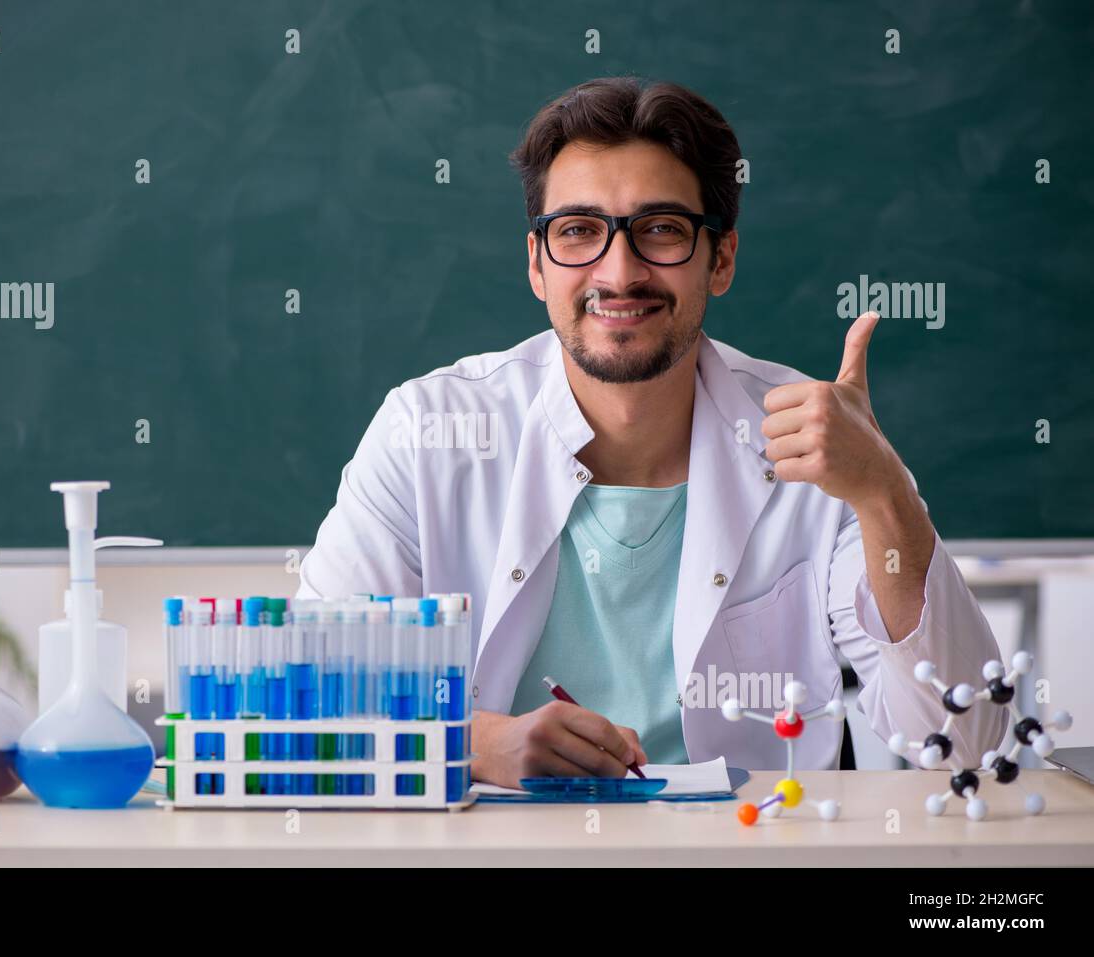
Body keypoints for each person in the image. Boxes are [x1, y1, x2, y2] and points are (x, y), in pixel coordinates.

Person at [296, 77, 1007, 789]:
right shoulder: (431, 432)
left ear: (720, 259)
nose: (619, 270)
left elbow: (965, 736)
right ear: (537, 264)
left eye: (660, 230)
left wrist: (884, 492)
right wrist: (472, 746)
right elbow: (310, 697)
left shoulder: (821, 444)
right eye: (578, 231)